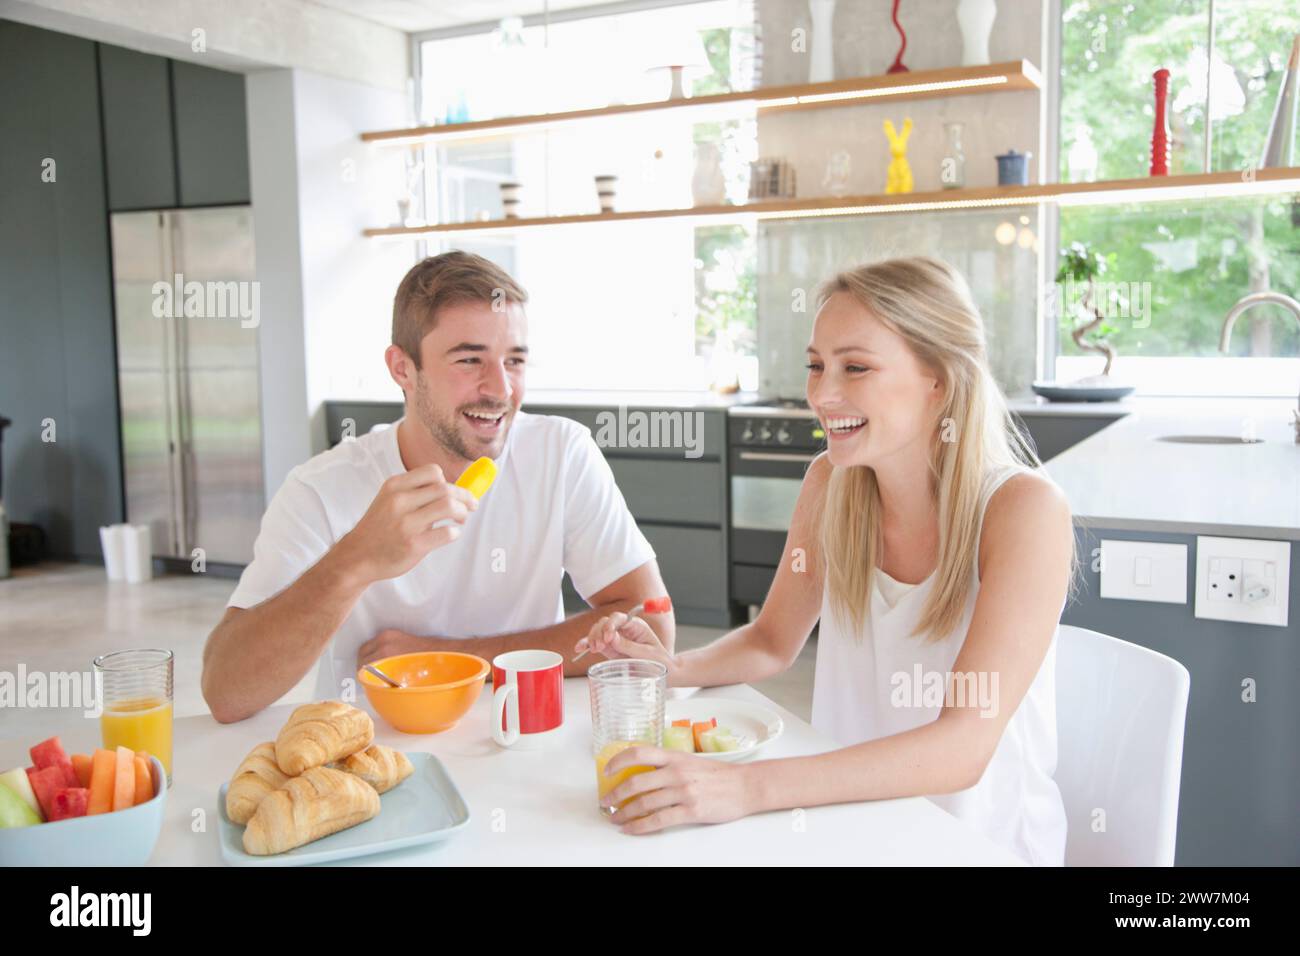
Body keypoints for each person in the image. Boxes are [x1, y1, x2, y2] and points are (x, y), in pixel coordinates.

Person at [576, 257, 1074, 865]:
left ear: (938, 379)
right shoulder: (830, 484)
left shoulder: (1024, 512)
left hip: (971, 844)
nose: (822, 394)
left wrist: (746, 788)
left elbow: (963, 747)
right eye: (816, 366)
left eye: (855, 368)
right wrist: (671, 667)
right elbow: (771, 640)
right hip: (848, 827)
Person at [202, 251, 673, 722]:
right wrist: (355, 561)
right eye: (470, 360)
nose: (501, 390)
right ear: (402, 369)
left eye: (514, 360)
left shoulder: (560, 453)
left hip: (524, 738)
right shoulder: (320, 489)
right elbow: (227, 692)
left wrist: (449, 660)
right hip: (374, 754)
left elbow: (651, 624)